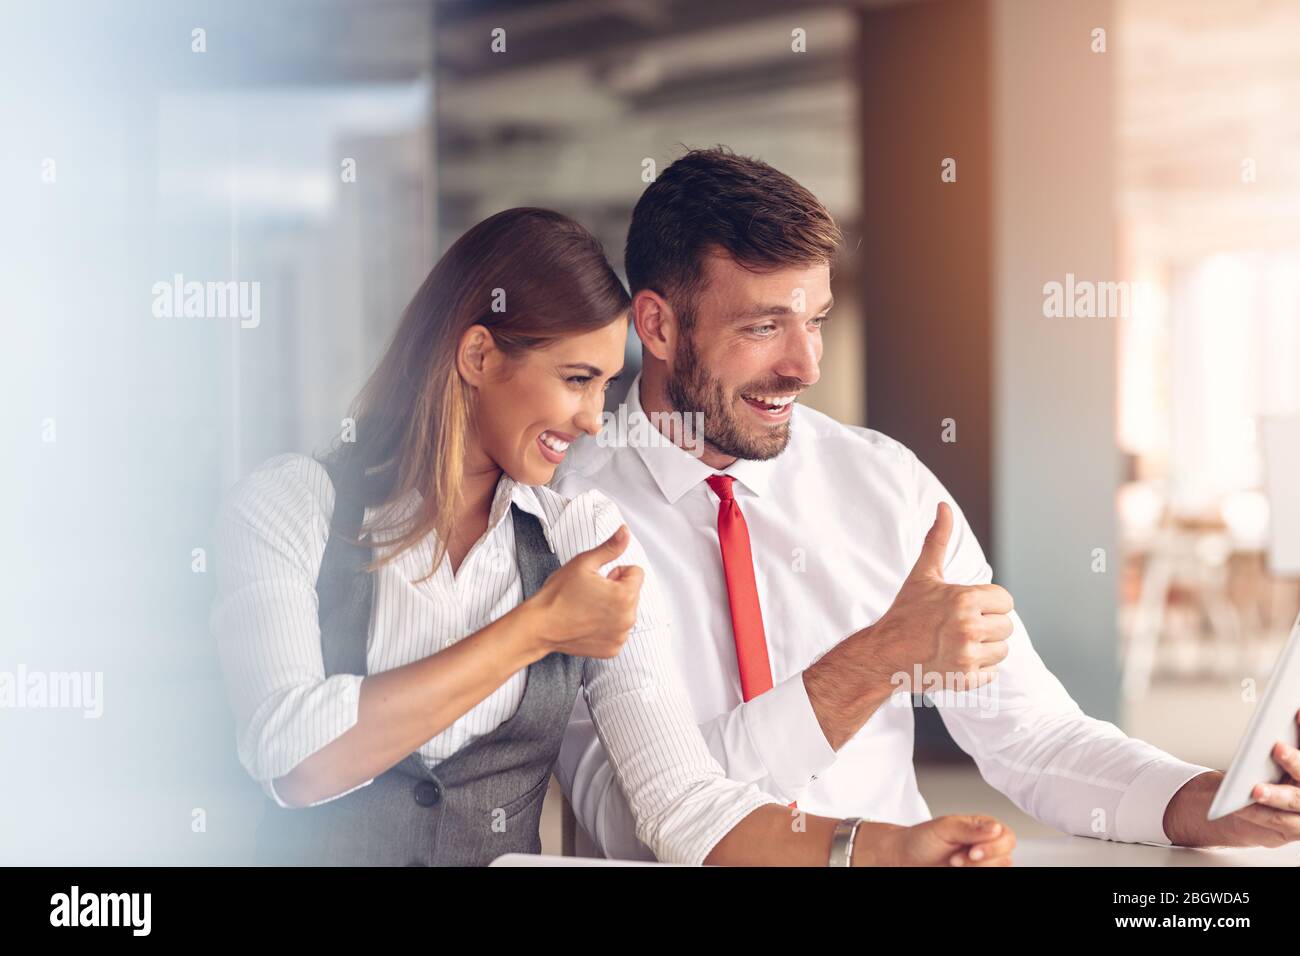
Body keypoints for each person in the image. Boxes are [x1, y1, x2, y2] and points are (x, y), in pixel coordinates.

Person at [210, 206, 1017, 866]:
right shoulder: (293, 506)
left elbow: (683, 803)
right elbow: (293, 758)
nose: (595, 420)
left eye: (606, 385)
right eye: (574, 381)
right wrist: (536, 629)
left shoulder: (583, 534)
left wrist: (883, 849)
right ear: (479, 354)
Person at [554, 148, 1300, 859]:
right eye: (762, 327)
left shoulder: (885, 483)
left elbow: (1031, 736)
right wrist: (875, 662)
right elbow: (631, 821)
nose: (804, 365)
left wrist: (1207, 803)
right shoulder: (565, 515)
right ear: (655, 326)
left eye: (814, 320)